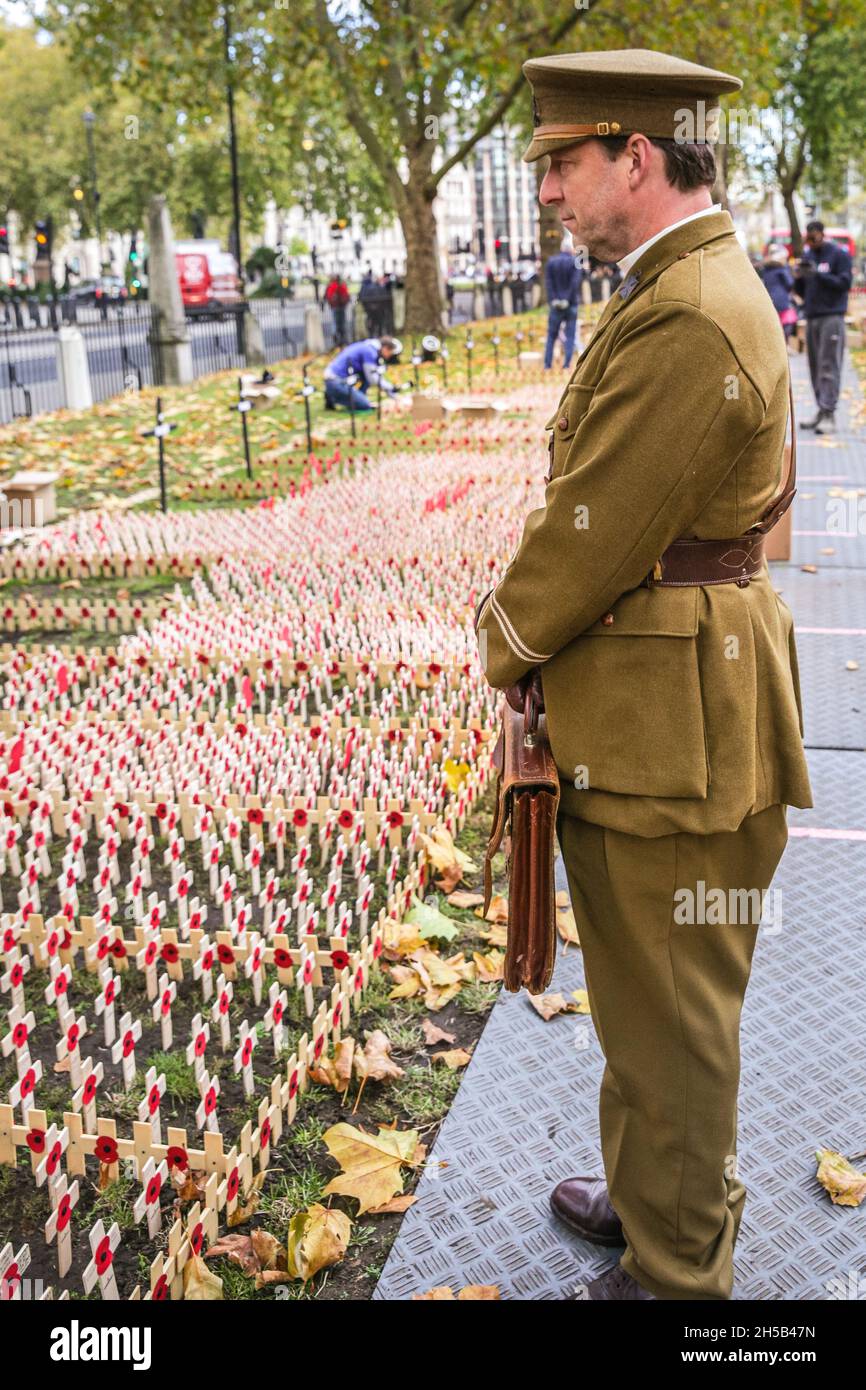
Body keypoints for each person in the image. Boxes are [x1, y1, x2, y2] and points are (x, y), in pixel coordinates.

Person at [473, 47, 813, 1302]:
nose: (550, 191)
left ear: (637, 155)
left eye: (563, 162)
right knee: (646, 990)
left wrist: (504, 646)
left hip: (674, 734)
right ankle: (653, 1189)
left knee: (671, 1012)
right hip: (671, 713)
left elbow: (593, 528)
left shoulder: (683, 307)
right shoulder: (685, 282)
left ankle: (677, 1277)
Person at [794, 220, 853, 435]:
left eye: (814, 236)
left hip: (832, 317)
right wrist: (799, 276)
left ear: (822, 234)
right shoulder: (808, 255)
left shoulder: (838, 255)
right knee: (815, 366)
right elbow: (801, 290)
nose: (812, 240)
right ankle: (821, 409)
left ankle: (829, 413)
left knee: (829, 365)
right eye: (809, 237)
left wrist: (818, 274)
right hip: (812, 317)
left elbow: (845, 284)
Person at [322, 335, 402, 411]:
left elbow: (372, 375)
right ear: (385, 348)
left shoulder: (367, 346)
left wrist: (392, 395)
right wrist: (391, 387)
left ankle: (336, 395)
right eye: (390, 353)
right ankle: (333, 396)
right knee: (364, 405)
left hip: (336, 379)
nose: (389, 356)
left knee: (364, 377)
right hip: (336, 381)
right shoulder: (370, 352)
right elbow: (372, 378)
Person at [544, 235, 583, 368]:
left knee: (551, 336)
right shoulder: (575, 262)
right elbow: (574, 282)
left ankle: (547, 364)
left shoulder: (551, 261)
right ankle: (566, 364)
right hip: (570, 303)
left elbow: (549, 283)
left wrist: (554, 299)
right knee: (570, 334)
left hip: (556, 305)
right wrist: (566, 299)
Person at [759, 243, 797, 344]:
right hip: (783, 301)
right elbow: (790, 283)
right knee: (787, 324)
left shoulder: (766, 269)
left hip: (771, 300)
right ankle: (785, 344)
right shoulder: (782, 269)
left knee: (775, 325)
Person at [324, 273, 350, 346]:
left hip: (335, 306)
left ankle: (336, 337)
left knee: (335, 322)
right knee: (342, 322)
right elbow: (347, 295)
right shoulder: (342, 285)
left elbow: (328, 296)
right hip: (342, 306)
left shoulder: (331, 286)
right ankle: (342, 338)